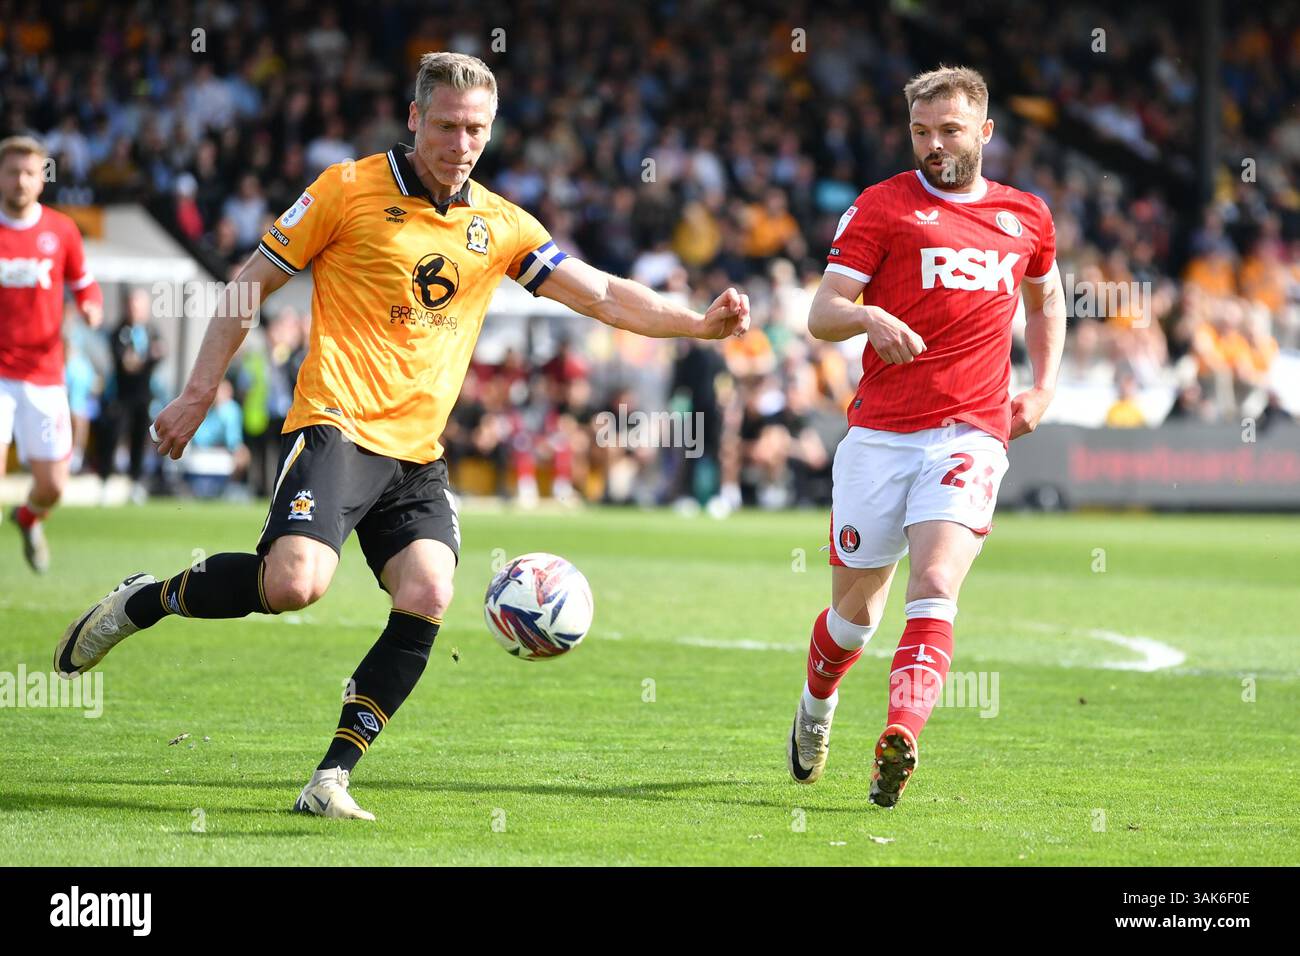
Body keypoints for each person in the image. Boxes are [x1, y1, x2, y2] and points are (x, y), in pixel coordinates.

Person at [54, 53, 750, 821]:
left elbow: (603, 293)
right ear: (415, 118)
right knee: (294, 585)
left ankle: (331, 778)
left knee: (429, 592)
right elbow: (248, 282)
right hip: (338, 427)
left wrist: (695, 324)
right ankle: (146, 602)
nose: (461, 142)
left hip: (417, 455)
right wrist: (197, 390)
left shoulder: (501, 224)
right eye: (447, 125)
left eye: (477, 129)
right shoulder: (345, 189)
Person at [787, 66, 1065, 808]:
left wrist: (1043, 384)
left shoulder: (1024, 216)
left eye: (949, 130)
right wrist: (869, 317)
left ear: (984, 131)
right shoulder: (882, 207)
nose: (934, 145)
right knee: (852, 620)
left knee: (936, 583)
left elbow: (1046, 298)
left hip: (972, 433)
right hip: (879, 435)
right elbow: (823, 313)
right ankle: (816, 709)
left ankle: (902, 733)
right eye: (920, 131)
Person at [0, 135, 103, 572]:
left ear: (41, 180)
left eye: (28, 172)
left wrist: (91, 307)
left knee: (53, 487)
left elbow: (85, 285)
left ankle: (27, 517)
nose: (20, 180)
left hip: (45, 374)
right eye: (11, 171)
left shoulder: (61, 230)